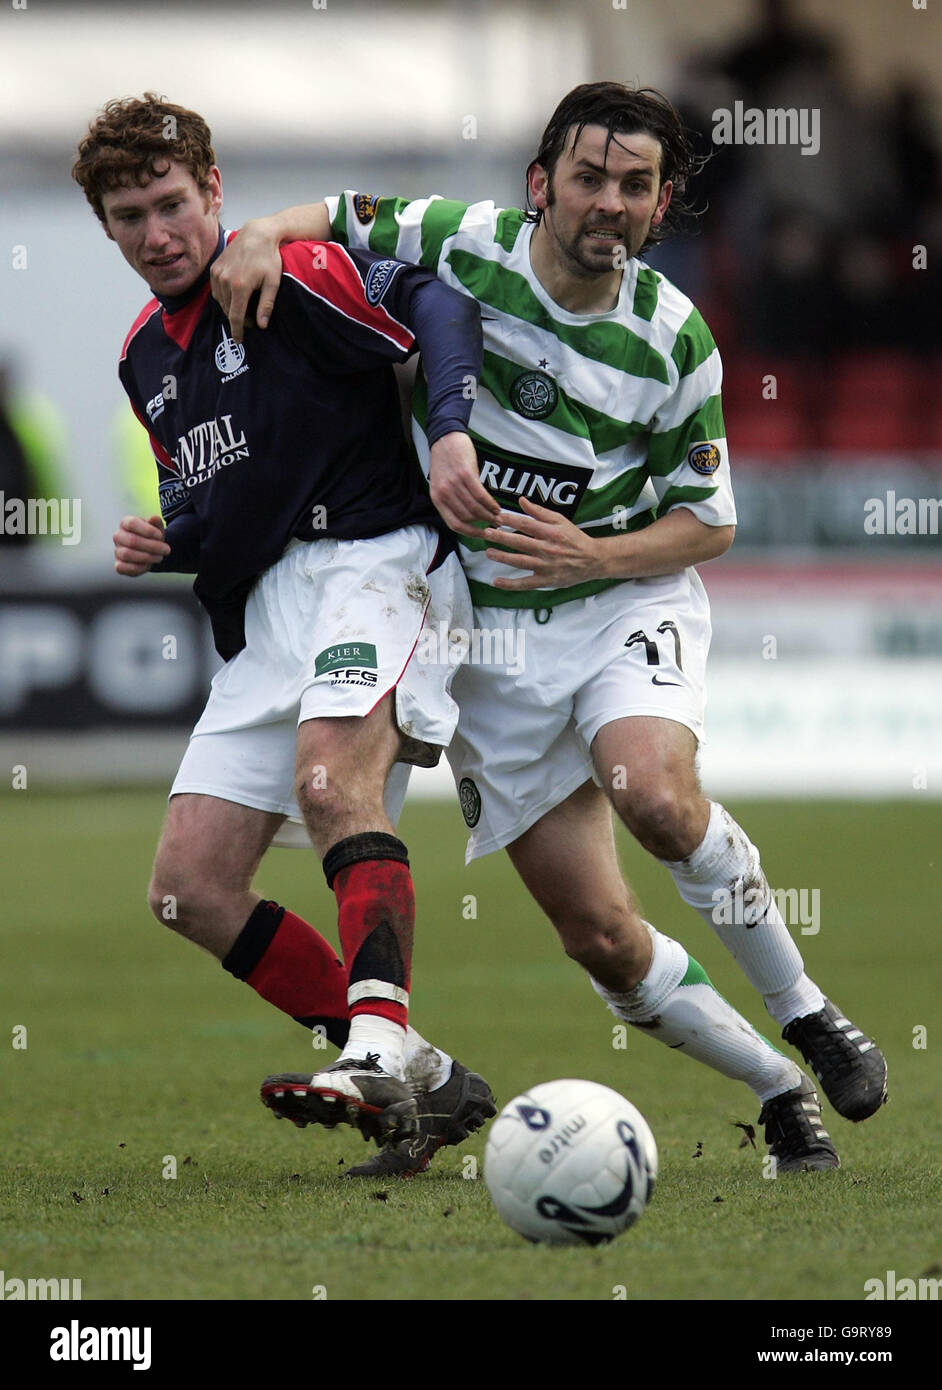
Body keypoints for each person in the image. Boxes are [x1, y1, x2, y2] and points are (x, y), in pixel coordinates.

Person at [211, 81, 888, 1177]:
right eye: (588, 178)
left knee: (656, 796)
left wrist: (597, 556)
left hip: (624, 601)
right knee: (602, 939)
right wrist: (248, 236)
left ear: (661, 205)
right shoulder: (465, 240)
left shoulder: (676, 341)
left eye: (635, 186)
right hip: (498, 650)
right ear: (541, 185)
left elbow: (707, 525)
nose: (608, 203)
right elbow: (335, 214)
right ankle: (778, 1086)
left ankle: (809, 1010)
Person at [71, 94, 496, 1165]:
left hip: (376, 562)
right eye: (130, 217)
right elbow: (226, 498)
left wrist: (448, 433)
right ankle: (427, 1079)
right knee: (188, 889)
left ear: (215, 190)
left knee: (329, 785)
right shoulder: (141, 359)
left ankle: (374, 1048)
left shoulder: (288, 273)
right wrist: (167, 538)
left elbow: (440, 303)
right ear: (107, 228)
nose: (157, 234)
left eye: (172, 204)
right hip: (267, 610)